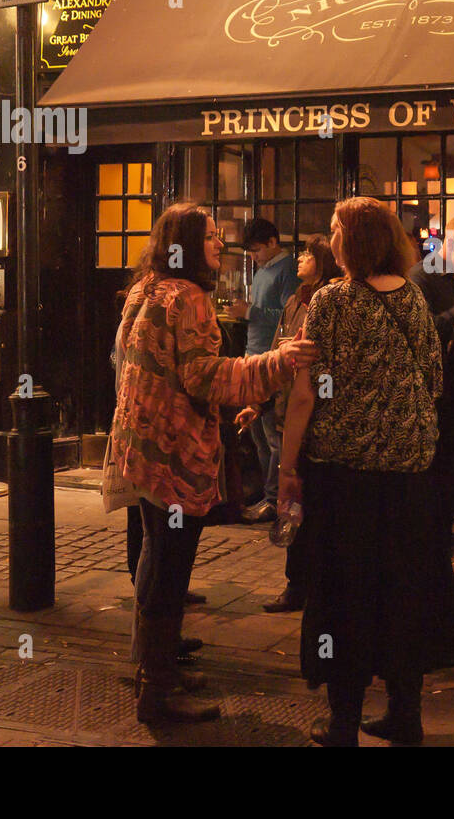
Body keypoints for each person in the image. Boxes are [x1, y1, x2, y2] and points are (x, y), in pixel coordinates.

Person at [104, 202, 316, 725]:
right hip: (174, 452)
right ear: (184, 243)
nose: (221, 244)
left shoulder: (146, 288)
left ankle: (156, 672)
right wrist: (280, 362)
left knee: (155, 559)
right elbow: (204, 377)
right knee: (170, 569)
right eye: (211, 237)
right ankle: (159, 693)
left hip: (140, 445)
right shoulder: (189, 297)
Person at [280, 198, 454, 746]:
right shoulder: (412, 297)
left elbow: (304, 394)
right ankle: (405, 715)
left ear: (353, 240)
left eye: (336, 230)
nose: (330, 238)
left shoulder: (332, 301)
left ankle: (343, 722)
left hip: (346, 477)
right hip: (411, 478)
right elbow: (435, 379)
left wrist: (287, 467)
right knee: (405, 592)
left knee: (345, 594)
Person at [240, 234, 341, 615]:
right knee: (293, 506)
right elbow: (280, 357)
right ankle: (296, 584)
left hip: (314, 421)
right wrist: (258, 401)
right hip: (286, 412)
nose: (300, 258)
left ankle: (311, 586)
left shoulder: (326, 301)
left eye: (309, 254)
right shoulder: (296, 299)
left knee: (308, 505)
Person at [409, 213, 454, 524]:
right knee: (435, 476)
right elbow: (421, 333)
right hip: (434, 395)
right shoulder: (421, 277)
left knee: (453, 470)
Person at [230, 218, 299, 524]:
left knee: (272, 435)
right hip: (253, 354)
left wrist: (251, 312)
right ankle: (264, 492)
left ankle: (274, 499)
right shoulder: (263, 270)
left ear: (273, 242)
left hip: (271, 357)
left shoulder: (286, 271)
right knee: (257, 433)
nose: (254, 257)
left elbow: (286, 314)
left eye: (257, 250)